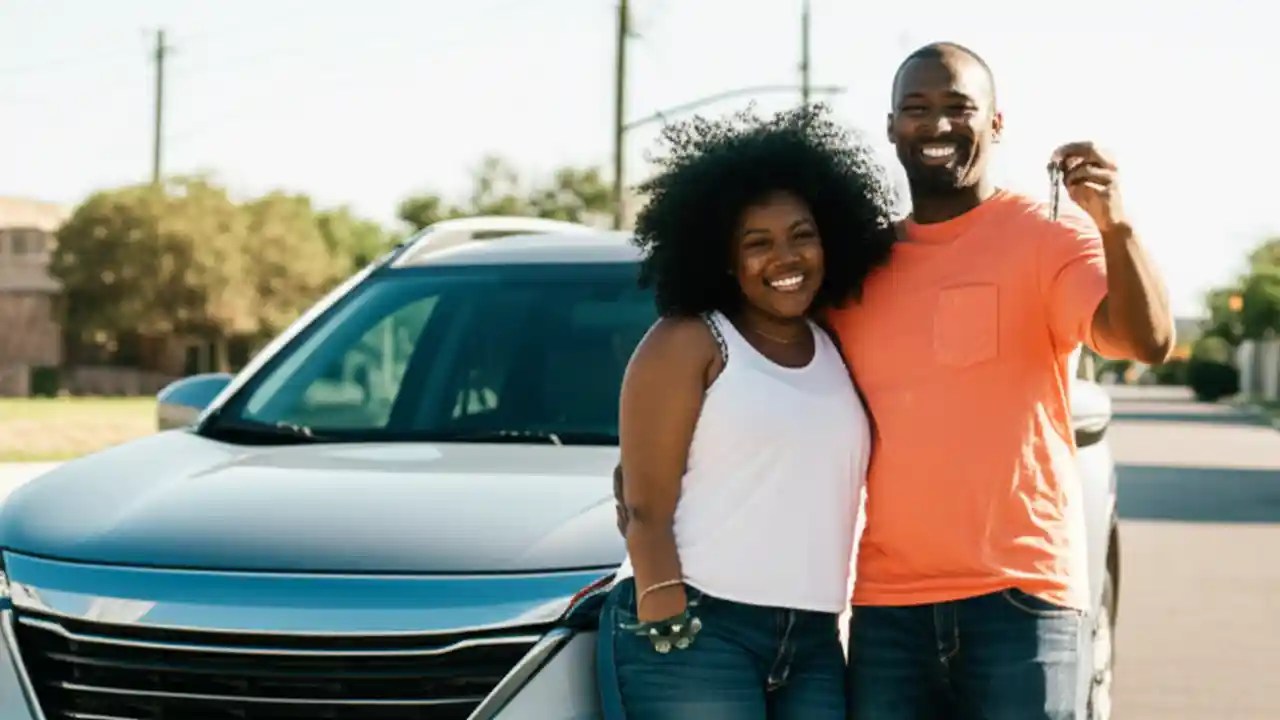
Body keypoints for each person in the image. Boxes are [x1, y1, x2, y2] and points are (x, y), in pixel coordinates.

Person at [825, 42, 1174, 719]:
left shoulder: (1047, 234)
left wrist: (1118, 226)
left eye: (959, 108)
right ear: (892, 125)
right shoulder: (860, 264)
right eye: (917, 109)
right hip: (886, 607)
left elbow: (1146, 340)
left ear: (996, 123)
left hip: (1022, 598)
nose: (937, 125)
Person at [597, 104, 896, 719]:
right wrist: (663, 604)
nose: (785, 258)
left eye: (802, 235)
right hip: (700, 627)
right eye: (757, 244)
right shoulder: (690, 342)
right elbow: (643, 501)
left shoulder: (834, 345)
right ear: (725, 260)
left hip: (811, 638)